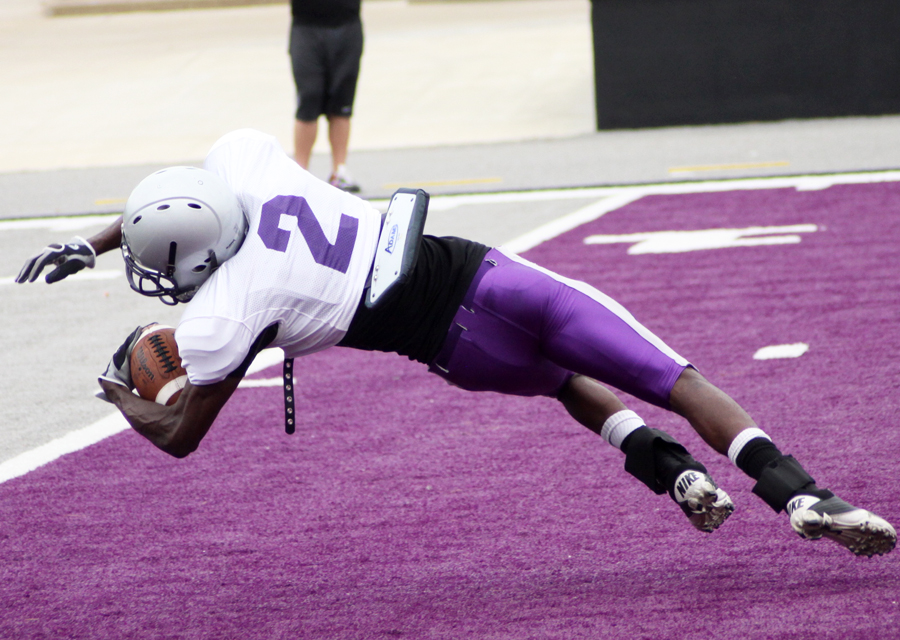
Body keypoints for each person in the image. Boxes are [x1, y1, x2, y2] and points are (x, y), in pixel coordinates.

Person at [17, 129, 896, 558]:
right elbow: (184, 201)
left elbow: (180, 436)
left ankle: (670, 472)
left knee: (563, 384)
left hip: (456, 350)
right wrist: (97, 241)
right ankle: (800, 493)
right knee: (673, 377)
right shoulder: (248, 165)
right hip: (491, 279)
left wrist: (119, 392)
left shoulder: (225, 313)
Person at [289, 0, 363, 192]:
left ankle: (339, 170)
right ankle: (300, 172)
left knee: (342, 101)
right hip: (306, 25)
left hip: (346, 22)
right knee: (309, 97)